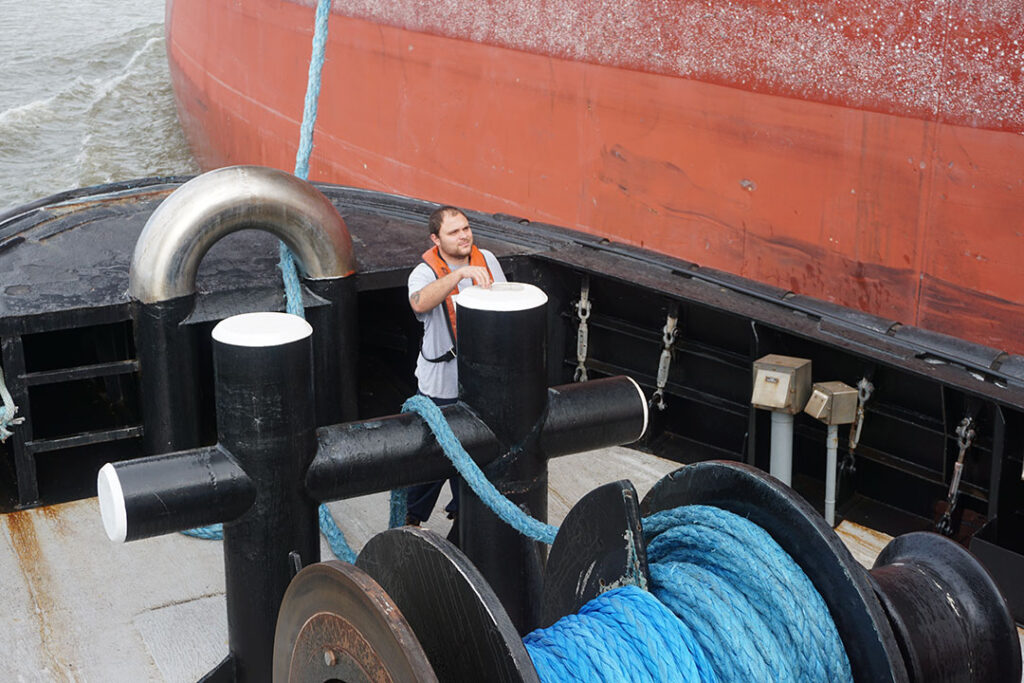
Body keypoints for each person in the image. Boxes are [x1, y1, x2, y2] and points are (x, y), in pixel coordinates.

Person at [405, 205, 507, 529]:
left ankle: (462, 513)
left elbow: (504, 305)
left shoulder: (488, 259)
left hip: (478, 382)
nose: (464, 235)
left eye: (466, 228)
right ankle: (413, 518)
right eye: (453, 231)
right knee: (432, 456)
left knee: (474, 451)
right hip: (441, 384)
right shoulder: (424, 272)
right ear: (435, 238)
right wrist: (458, 275)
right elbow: (419, 302)